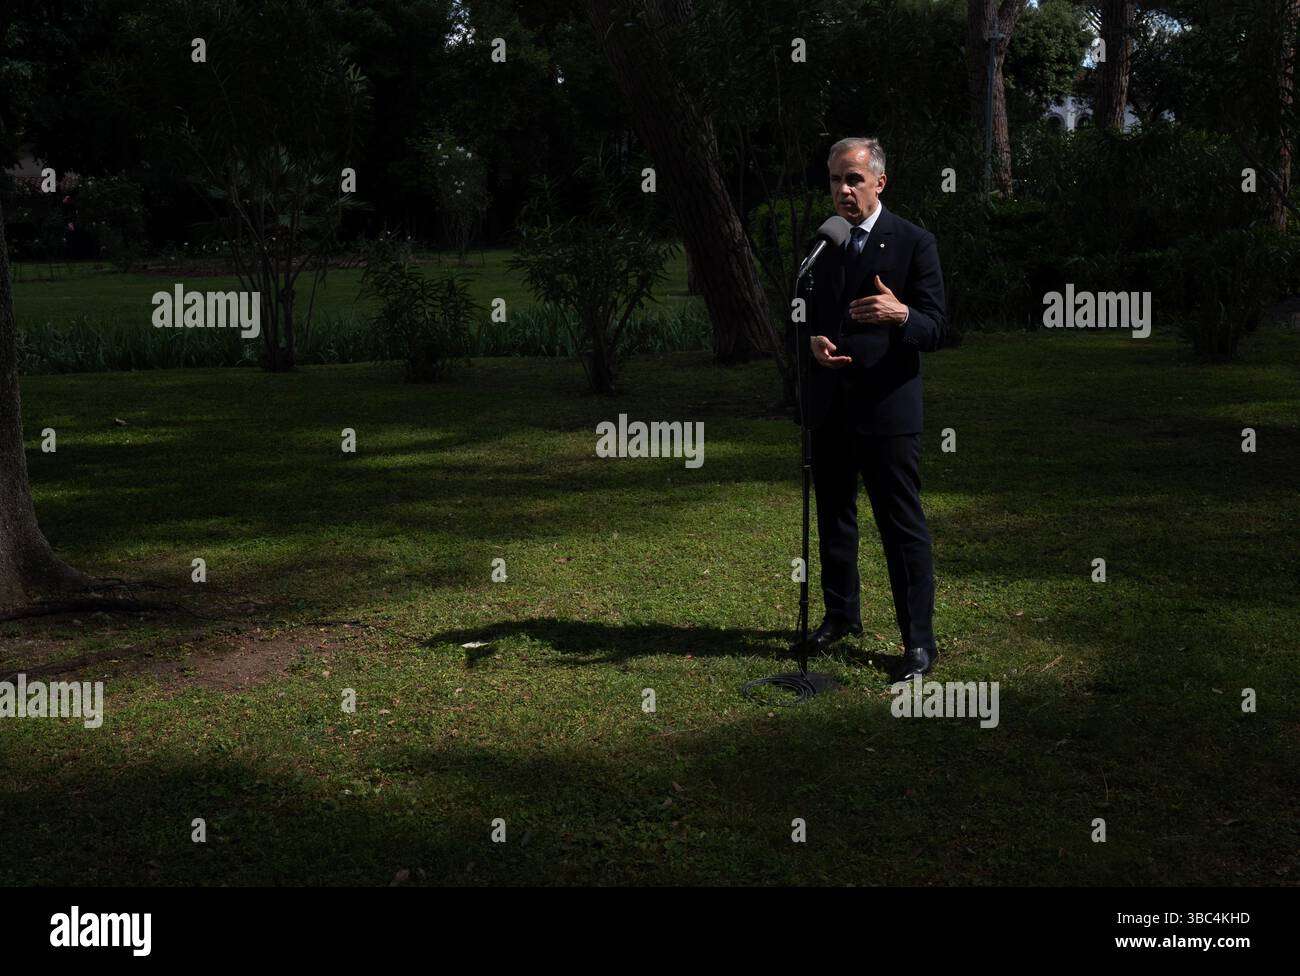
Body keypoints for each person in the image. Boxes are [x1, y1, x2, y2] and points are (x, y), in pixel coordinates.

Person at [793, 136, 948, 681]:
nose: (842, 190)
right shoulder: (822, 244)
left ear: (879, 182)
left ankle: (918, 644)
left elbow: (938, 329)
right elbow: (800, 315)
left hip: (887, 412)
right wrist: (811, 339)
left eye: (853, 179)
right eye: (835, 179)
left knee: (900, 526)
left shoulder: (912, 242)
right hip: (829, 405)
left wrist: (901, 313)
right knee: (834, 517)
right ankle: (841, 616)